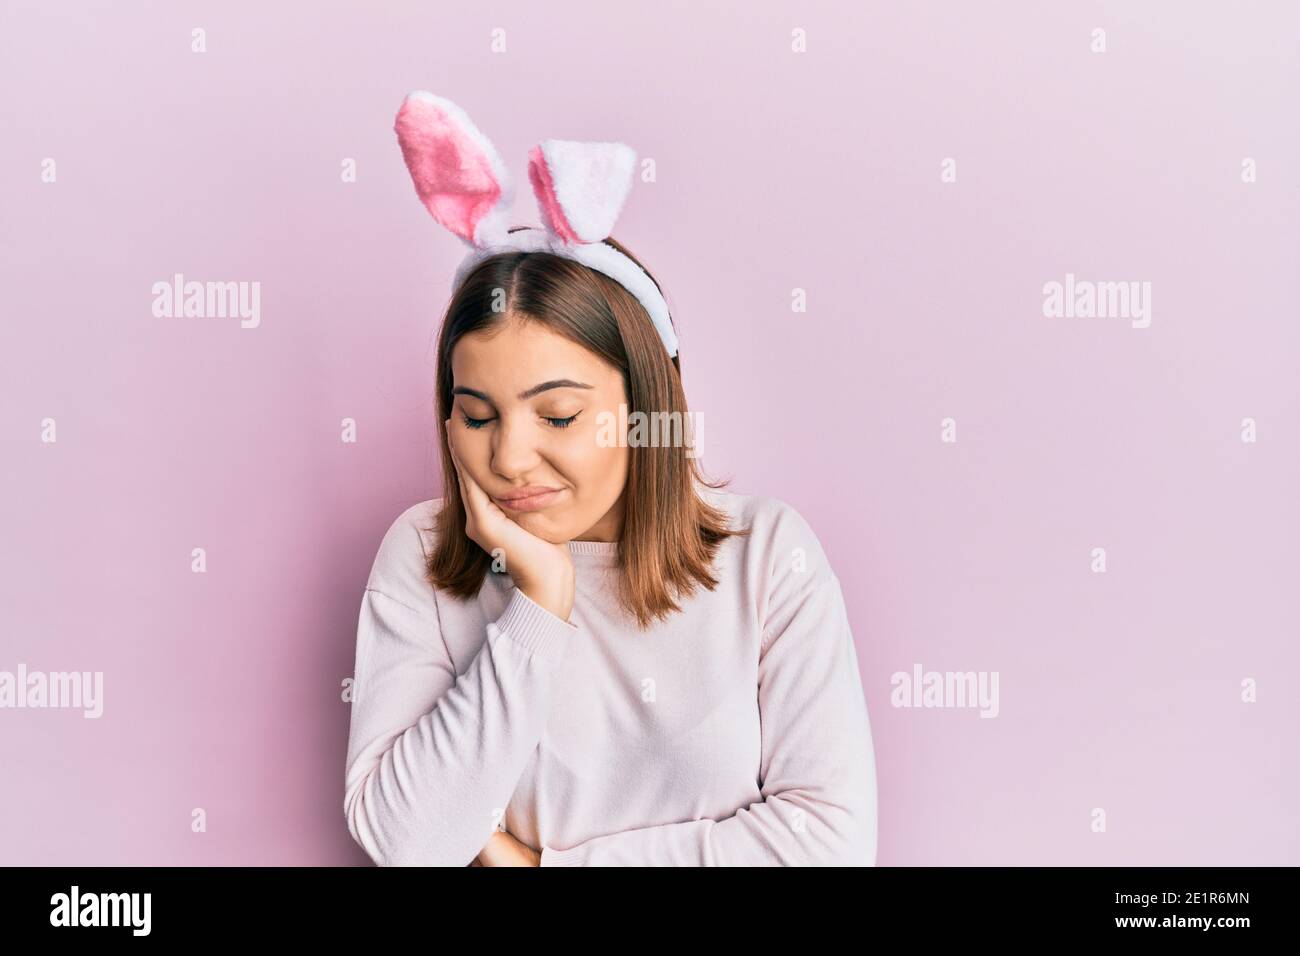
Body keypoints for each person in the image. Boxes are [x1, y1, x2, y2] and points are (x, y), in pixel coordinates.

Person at [341, 92, 877, 866]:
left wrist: (536, 863)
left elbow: (828, 846)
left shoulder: (768, 558)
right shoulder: (422, 558)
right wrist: (539, 605)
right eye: (478, 415)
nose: (511, 459)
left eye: (557, 416)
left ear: (644, 403)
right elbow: (408, 844)